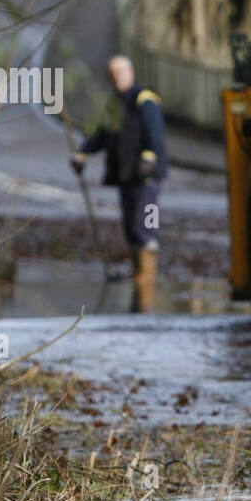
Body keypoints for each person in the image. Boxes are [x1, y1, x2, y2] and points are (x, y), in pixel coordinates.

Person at [71, 55, 167, 312]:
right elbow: (102, 135)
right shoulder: (114, 103)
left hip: (146, 175)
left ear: (131, 72)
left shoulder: (144, 101)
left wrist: (150, 156)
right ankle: (139, 273)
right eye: (113, 73)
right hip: (125, 174)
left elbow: (155, 134)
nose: (117, 77)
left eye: (121, 72)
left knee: (147, 222)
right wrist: (83, 152)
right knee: (130, 225)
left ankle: (147, 278)